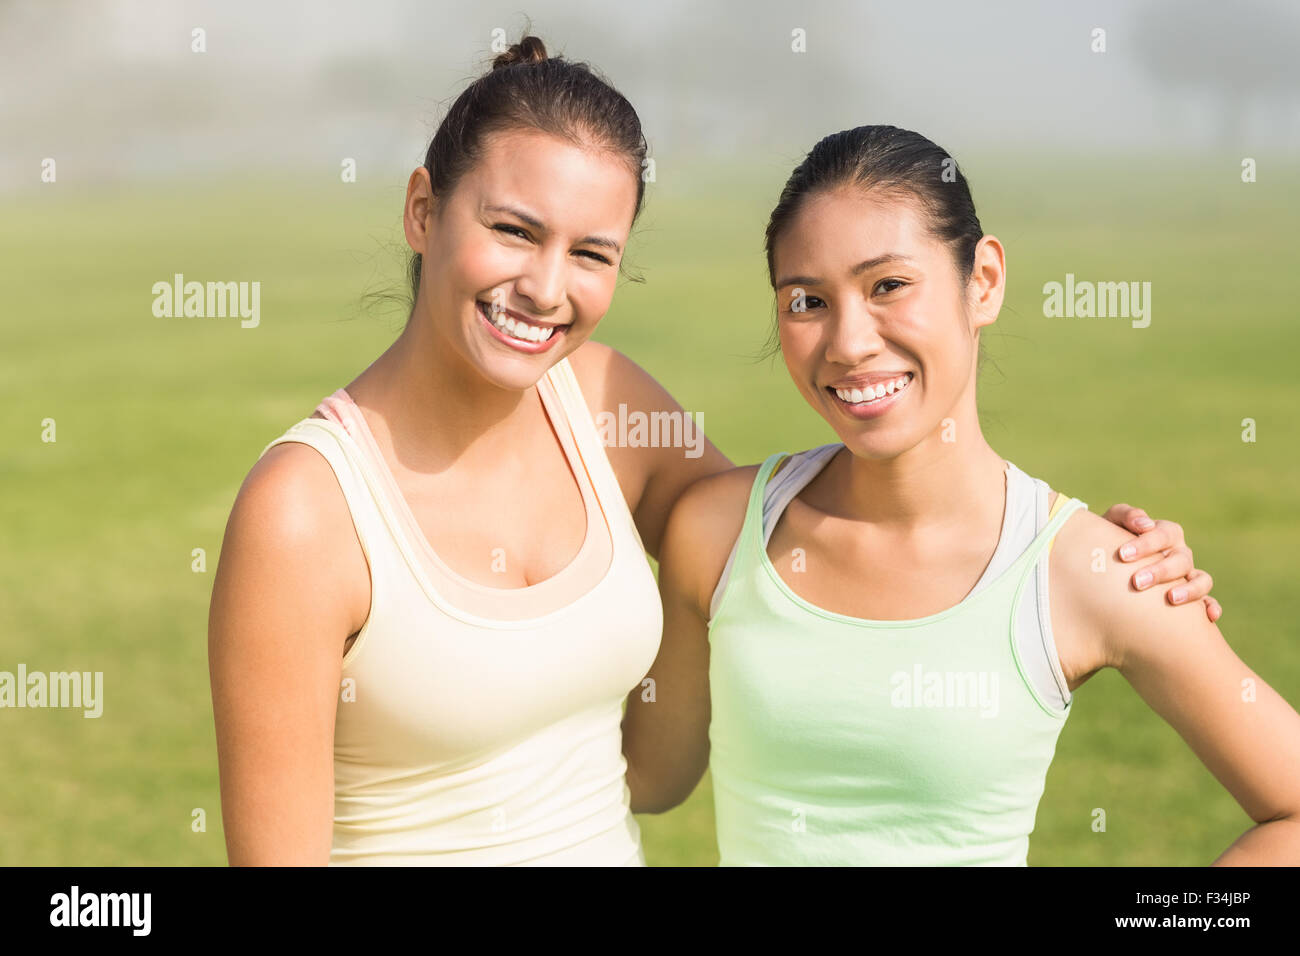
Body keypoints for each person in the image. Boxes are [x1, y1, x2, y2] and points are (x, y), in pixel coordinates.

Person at [208, 37, 1220, 866]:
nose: (548, 287)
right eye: (513, 230)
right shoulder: (305, 509)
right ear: (424, 210)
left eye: (592, 253)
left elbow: (812, 545)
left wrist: (1103, 562)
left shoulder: (606, 408)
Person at [622, 125, 1299, 866]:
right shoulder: (717, 532)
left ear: (983, 282)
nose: (848, 342)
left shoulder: (1095, 570)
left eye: (888, 285)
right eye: (807, 300)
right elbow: (648, 779)